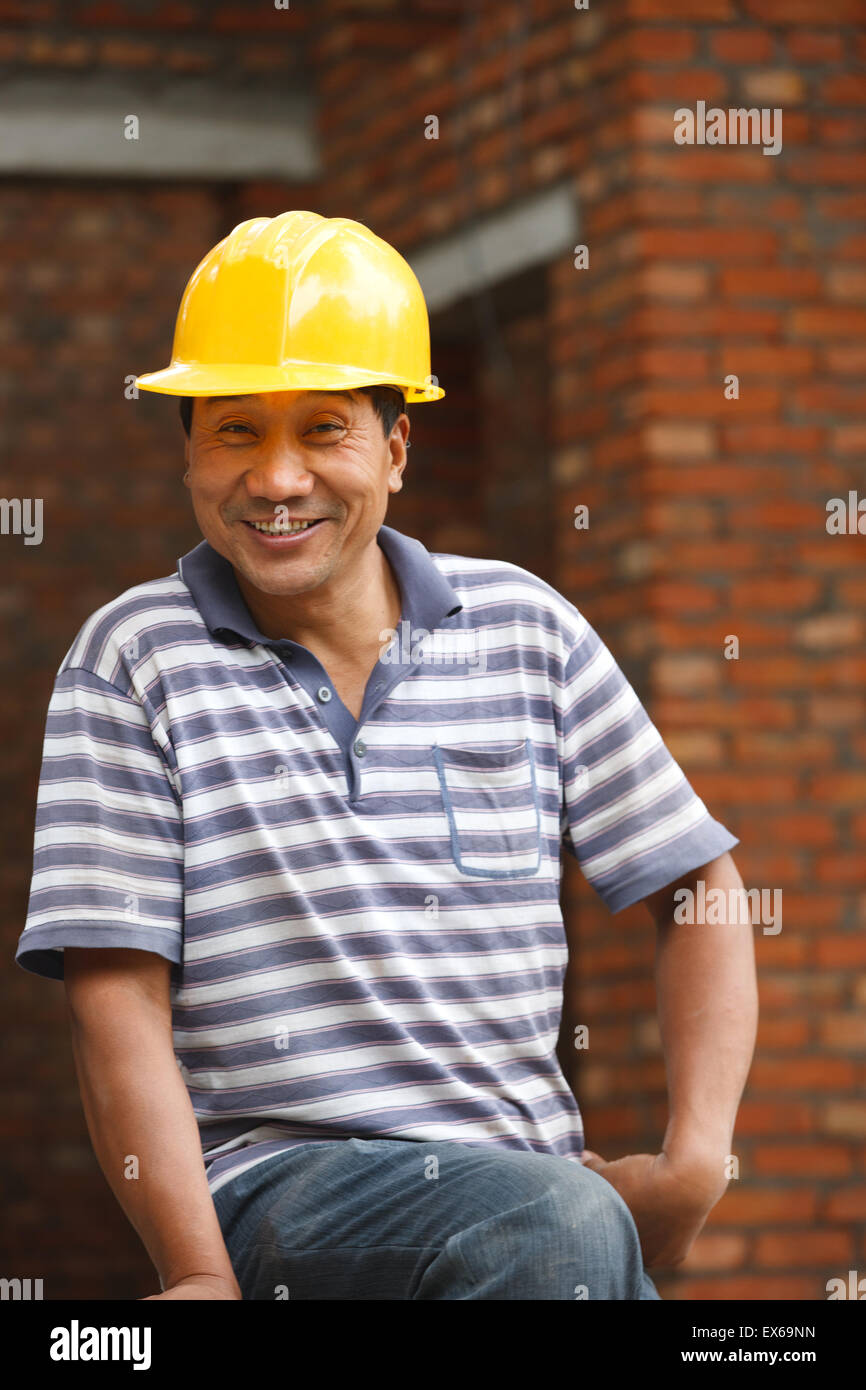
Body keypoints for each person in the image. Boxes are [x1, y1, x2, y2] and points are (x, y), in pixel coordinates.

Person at [15, 211, 757, 1301]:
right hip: (282, 1191)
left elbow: (694, 881)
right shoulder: (134, 660)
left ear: (394, 450)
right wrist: (197, 1273)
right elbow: (114, 994)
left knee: (566, 1235)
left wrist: (693, 1162)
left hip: (531, 1211)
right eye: (233, 432)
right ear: (188, 454)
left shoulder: (525, 629)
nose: (276, 479)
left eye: (322, 429)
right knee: (560, 1223)